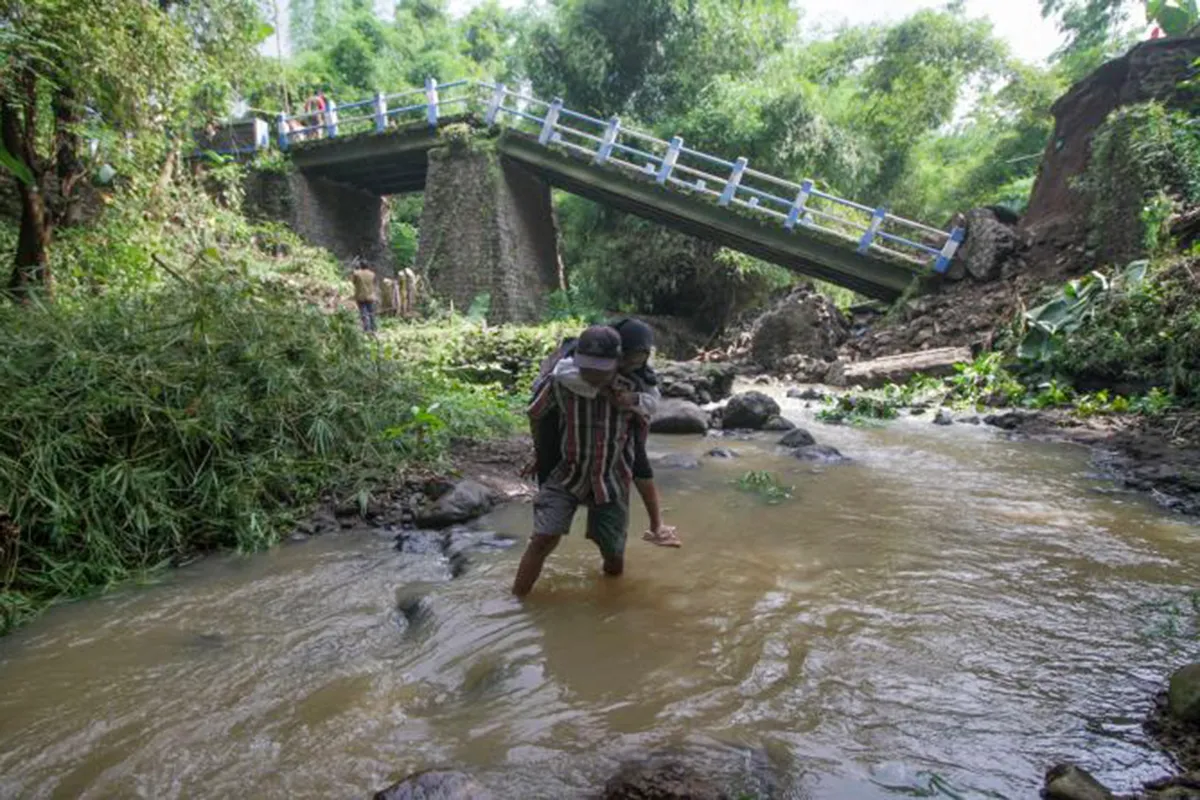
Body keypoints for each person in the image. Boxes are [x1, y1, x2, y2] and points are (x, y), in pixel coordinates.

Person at [512, 326, 641, 597]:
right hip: (567, 475)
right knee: (542, 539)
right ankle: (516, 604)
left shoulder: (633, 392)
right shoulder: (561, 382)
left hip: (611, 481)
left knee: (613, 556)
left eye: (601, 369)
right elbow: (536, 414)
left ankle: (611, 609)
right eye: (587, 368)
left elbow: (641, 438)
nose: (593, 375)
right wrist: (541, 453)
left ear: (618, 362)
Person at [551, 317, 681, 548]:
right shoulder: (584, 359)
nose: (632, 368)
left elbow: (653, 401)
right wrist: (606, 391)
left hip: (622, 428)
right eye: (628, 362)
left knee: (639, 463)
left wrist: (632, 399)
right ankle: (656, 525)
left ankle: (656, 525)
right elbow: (561, 373)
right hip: (576, 428)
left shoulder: (640, 374)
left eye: (637, 364)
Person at [349, 258, 379, 334]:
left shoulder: (357, 274)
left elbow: (353, 282)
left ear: (360, 266)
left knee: (364, 313)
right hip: (370, 296)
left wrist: (354, 272)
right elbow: (374, 284)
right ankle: (374, 328)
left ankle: (367, 329)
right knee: (371, 313)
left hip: (360, 296)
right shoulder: (372, 274)